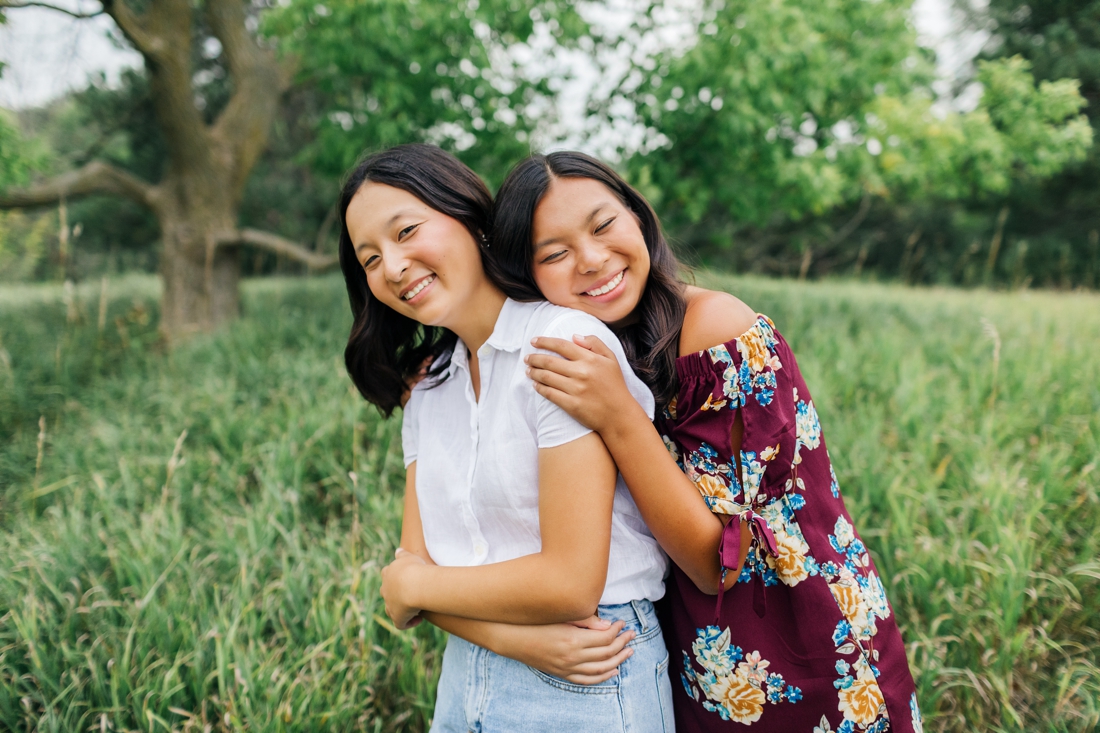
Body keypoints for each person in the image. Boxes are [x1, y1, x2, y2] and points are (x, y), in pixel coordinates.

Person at [486, 151, 924, 733]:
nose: (591, 260)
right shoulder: (590, 349)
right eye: (554, 254)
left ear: (638, 217)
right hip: (697, 655)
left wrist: (619, 415)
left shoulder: (714, 331)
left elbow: (718, 562)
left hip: (805, 640)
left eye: (603, 225)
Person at [337, 144, 673, 732]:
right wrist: (514, 640)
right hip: (467, 679)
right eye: (370, 259)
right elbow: (404, 590)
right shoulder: (429, 387)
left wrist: (418, 585)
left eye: (406, 232)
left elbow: (569, 584)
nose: (391, 266)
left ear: (470, 218)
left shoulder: (559, 345)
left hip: (590, 670)